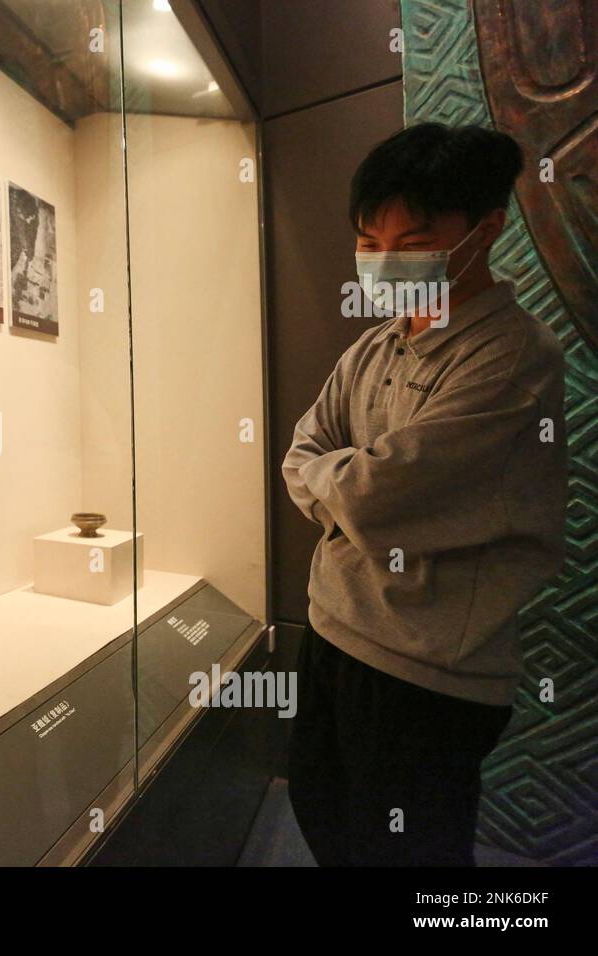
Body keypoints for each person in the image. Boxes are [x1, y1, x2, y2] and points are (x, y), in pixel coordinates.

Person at [281, 122, 569, 866]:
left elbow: (378, 494)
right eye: (368, 242)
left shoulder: (512, 357)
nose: (382, 262)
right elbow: (301, 454)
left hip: (429, 669)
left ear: (484, 230)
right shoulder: (376, 345)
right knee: (321, 809)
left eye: (408, 239)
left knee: (410, 854)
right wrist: (342, 484)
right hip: (335, 628)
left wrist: (345, 488)